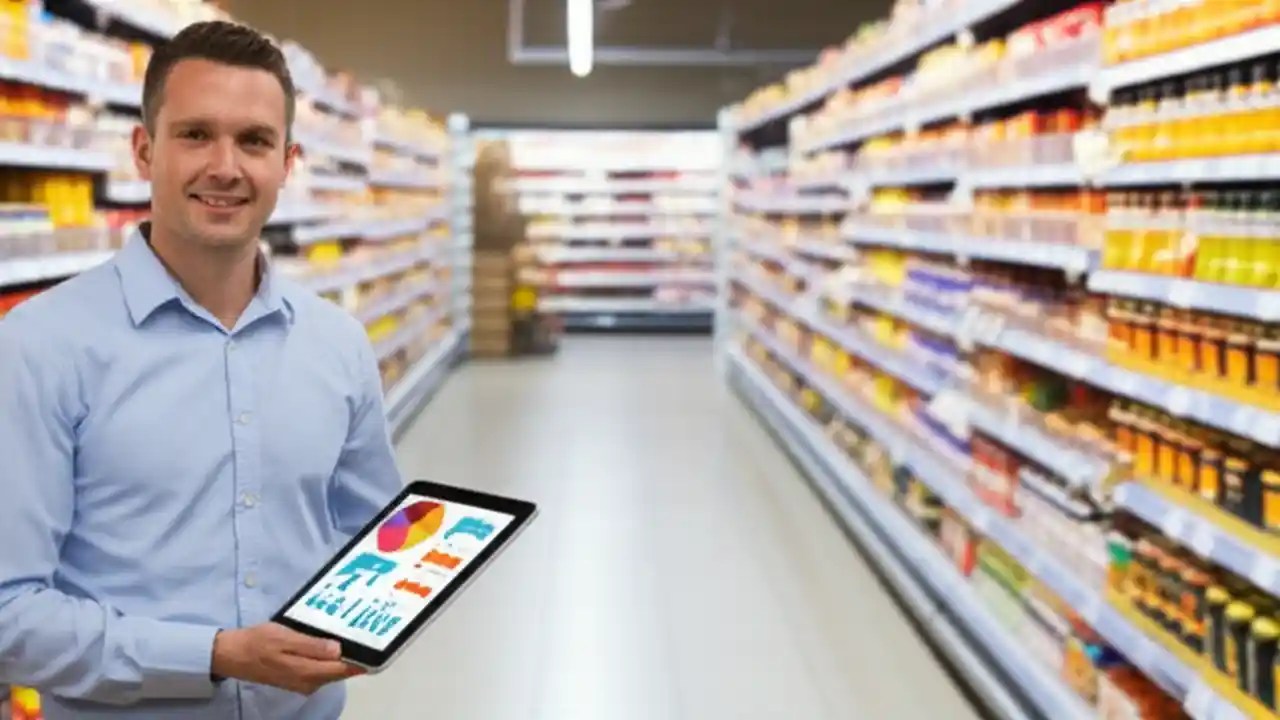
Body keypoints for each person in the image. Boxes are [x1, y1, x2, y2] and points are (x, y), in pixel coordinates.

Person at [0, 20, 402, 720]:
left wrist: (405, 586)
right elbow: (9, 618)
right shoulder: (40, 345)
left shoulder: (337, 343)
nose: (225, 166)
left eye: (254, 140)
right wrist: (214, 654)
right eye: (195, 135)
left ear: (288, 161)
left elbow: (378, 545)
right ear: (143, 150)